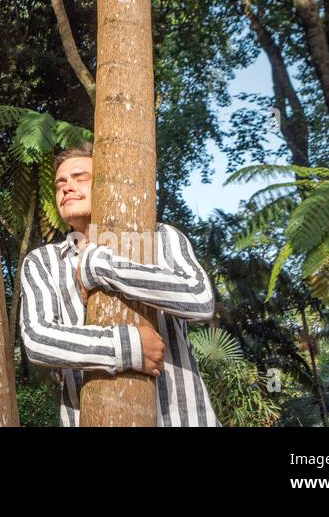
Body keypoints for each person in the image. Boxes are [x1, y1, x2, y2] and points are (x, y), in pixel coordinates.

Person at [18, 140, 219, 426]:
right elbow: (39, 341)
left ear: (106, 183)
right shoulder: (43, 262)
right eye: (60, 182)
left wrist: (99, 264)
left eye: (80, 178)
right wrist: (128, 347)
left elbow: (200, 299)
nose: (66, 187)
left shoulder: (161, 237)